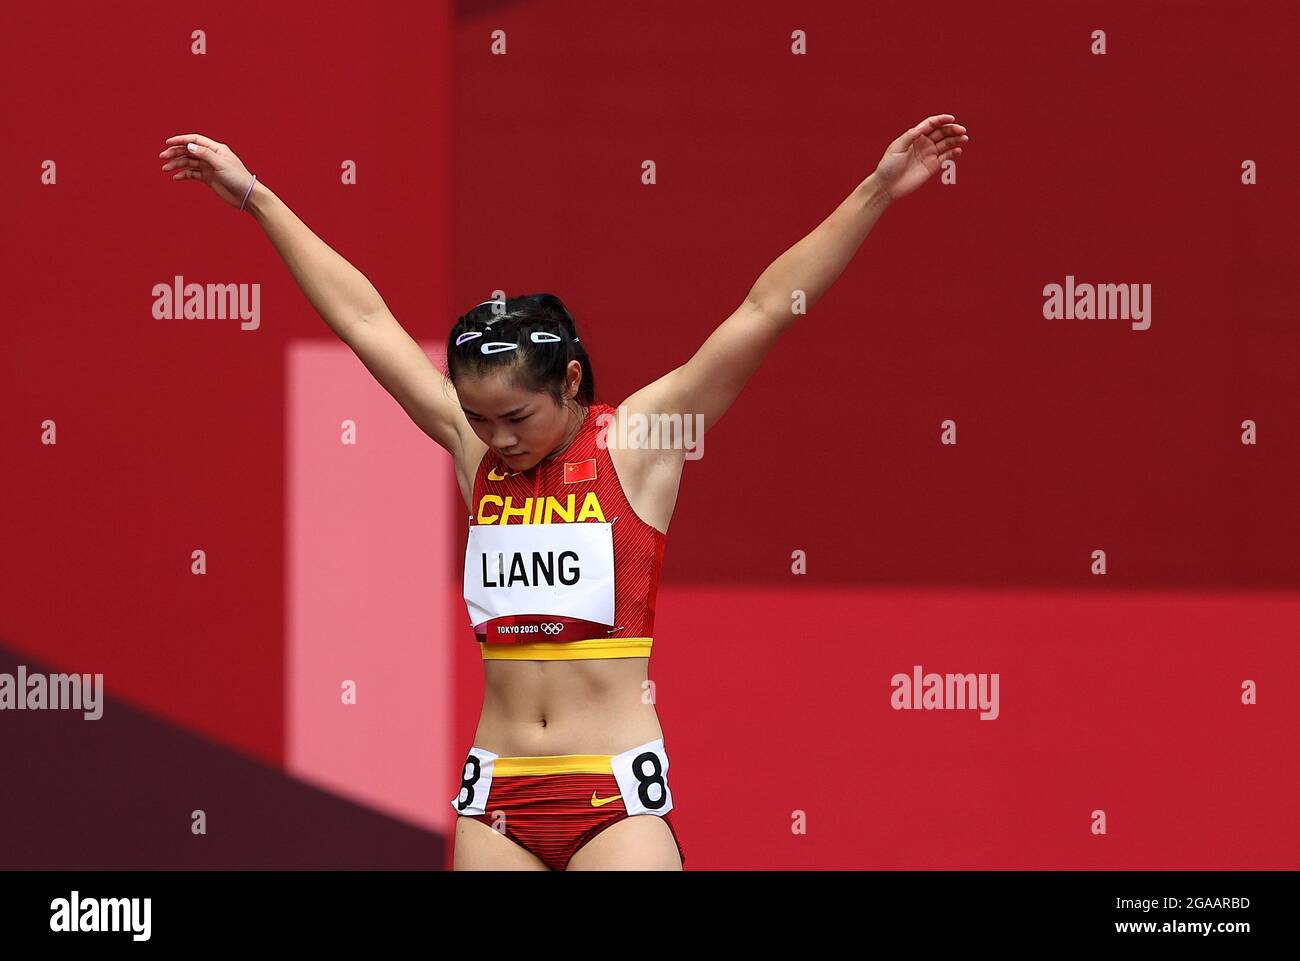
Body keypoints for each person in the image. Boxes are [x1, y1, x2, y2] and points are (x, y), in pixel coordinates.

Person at [159, 114, 969, 870]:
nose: (497, 436)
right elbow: (365, 318)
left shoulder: (642, 439)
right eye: (479, 415)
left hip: (616, 795)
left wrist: (875, 190)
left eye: (515, 416)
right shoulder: (468, 445)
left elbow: (762, 310)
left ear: (570, 380)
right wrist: (256, 197)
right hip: (495, 796)